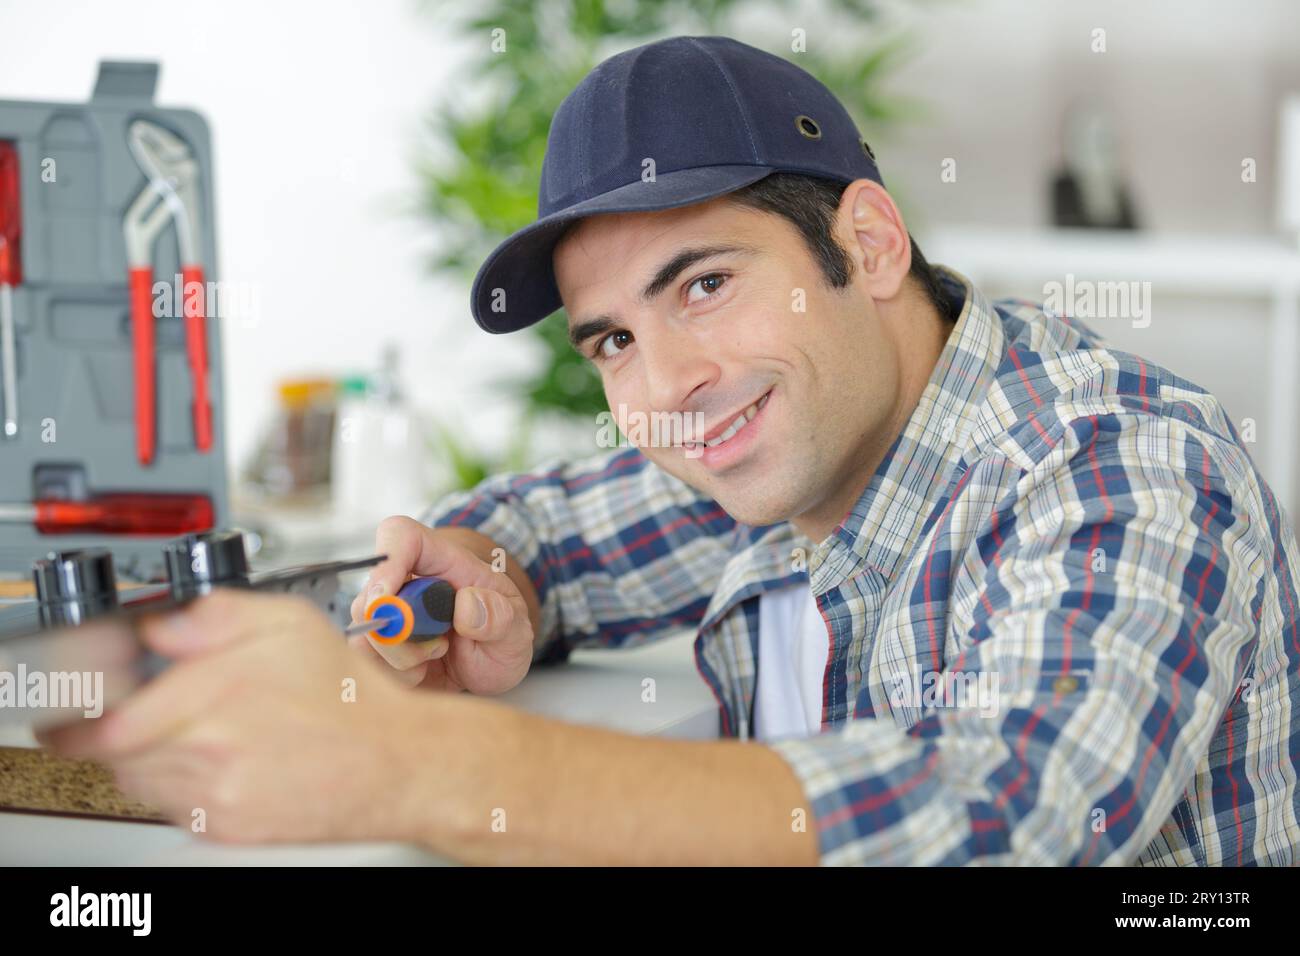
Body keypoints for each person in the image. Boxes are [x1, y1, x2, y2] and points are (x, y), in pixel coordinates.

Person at [41, 35, 1300, 865]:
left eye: (701, 284)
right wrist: (485, 577)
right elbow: (546, 528)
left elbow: (1009, 811)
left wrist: (407, 763)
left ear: (864, 245)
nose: (667, 392)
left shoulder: (1120, 460)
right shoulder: (779, 439)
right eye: (611, 341)